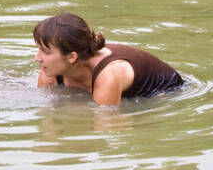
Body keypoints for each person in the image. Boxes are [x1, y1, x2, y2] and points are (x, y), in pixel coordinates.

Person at [33, 12, 184, 105]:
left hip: (168, 92)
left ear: (72, 57)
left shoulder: (108, 75)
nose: (37, 58)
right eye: (38, 48)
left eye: (45, 51)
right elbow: (48, 111)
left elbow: (107, 127)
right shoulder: (49, 71)